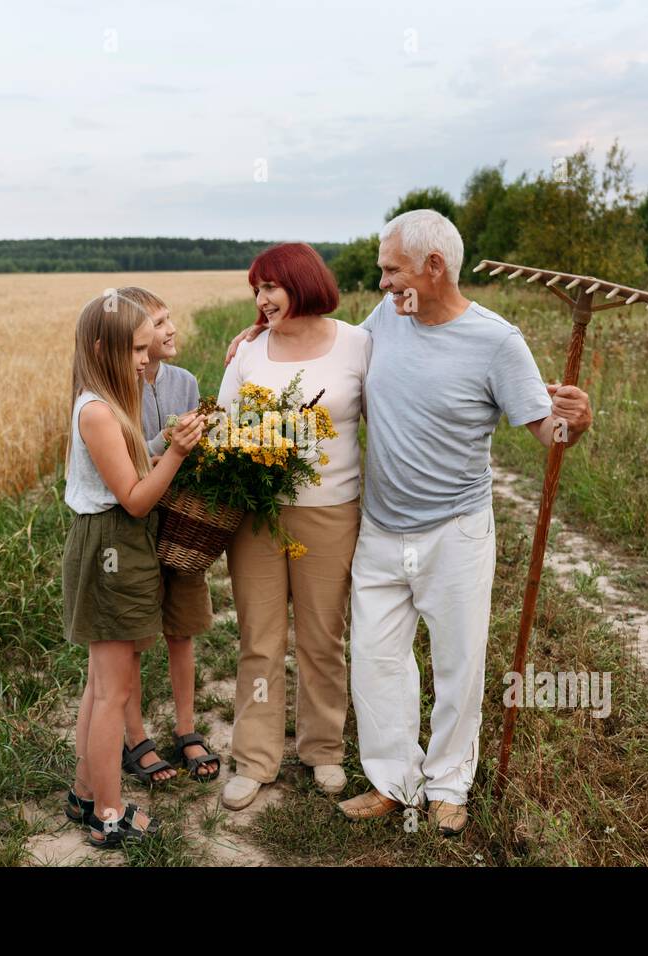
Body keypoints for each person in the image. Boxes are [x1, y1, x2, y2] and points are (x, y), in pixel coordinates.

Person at [224, 211, 592, 835]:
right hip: (378, 528)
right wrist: (256, 329)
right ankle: (394, 782)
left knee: (457, 662)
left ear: (434, 267)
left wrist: (573, 424)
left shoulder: (498, 341)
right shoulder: (383, 323)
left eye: (392, 269)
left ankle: (449, 786)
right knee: (376, 661)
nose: (384, 281)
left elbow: (546, 431)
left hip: (455, 529)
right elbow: (320, 343)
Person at [216, 243, 371, 811]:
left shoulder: (357, 343)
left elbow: (385, 418)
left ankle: (323, 749)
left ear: (301, 284)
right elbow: (225, 427)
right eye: (255, 290)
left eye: (270, 288)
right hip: (257, 514)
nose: (260, 299)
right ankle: (255, 758)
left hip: (331, 511)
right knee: (259, 638)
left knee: (322, 636)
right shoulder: (250, 349)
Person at [61, 290, 205, 848]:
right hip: (111, 548)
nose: (147, 360)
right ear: (103, 347)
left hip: (113, 545)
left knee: (101, 687)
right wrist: (176, 453)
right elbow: (137, 498)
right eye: (137, 349)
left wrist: (164, 443)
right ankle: (109, 813)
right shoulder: (97, 411)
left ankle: (83, 794)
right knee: (114, 694)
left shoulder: (102, 399)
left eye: (149, 347)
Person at [112, 285, 221, 785]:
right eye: (157, 324)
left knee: (181, 628)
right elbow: (129, 459)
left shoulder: (185, 381)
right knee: (133, 637)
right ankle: (134, 738)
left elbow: (193, 454)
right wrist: (170, 442)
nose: (170, 329)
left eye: (169, 319)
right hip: (134, 527)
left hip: (181, 526)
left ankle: (187, 728)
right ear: (132, 337)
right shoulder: (115, 391)